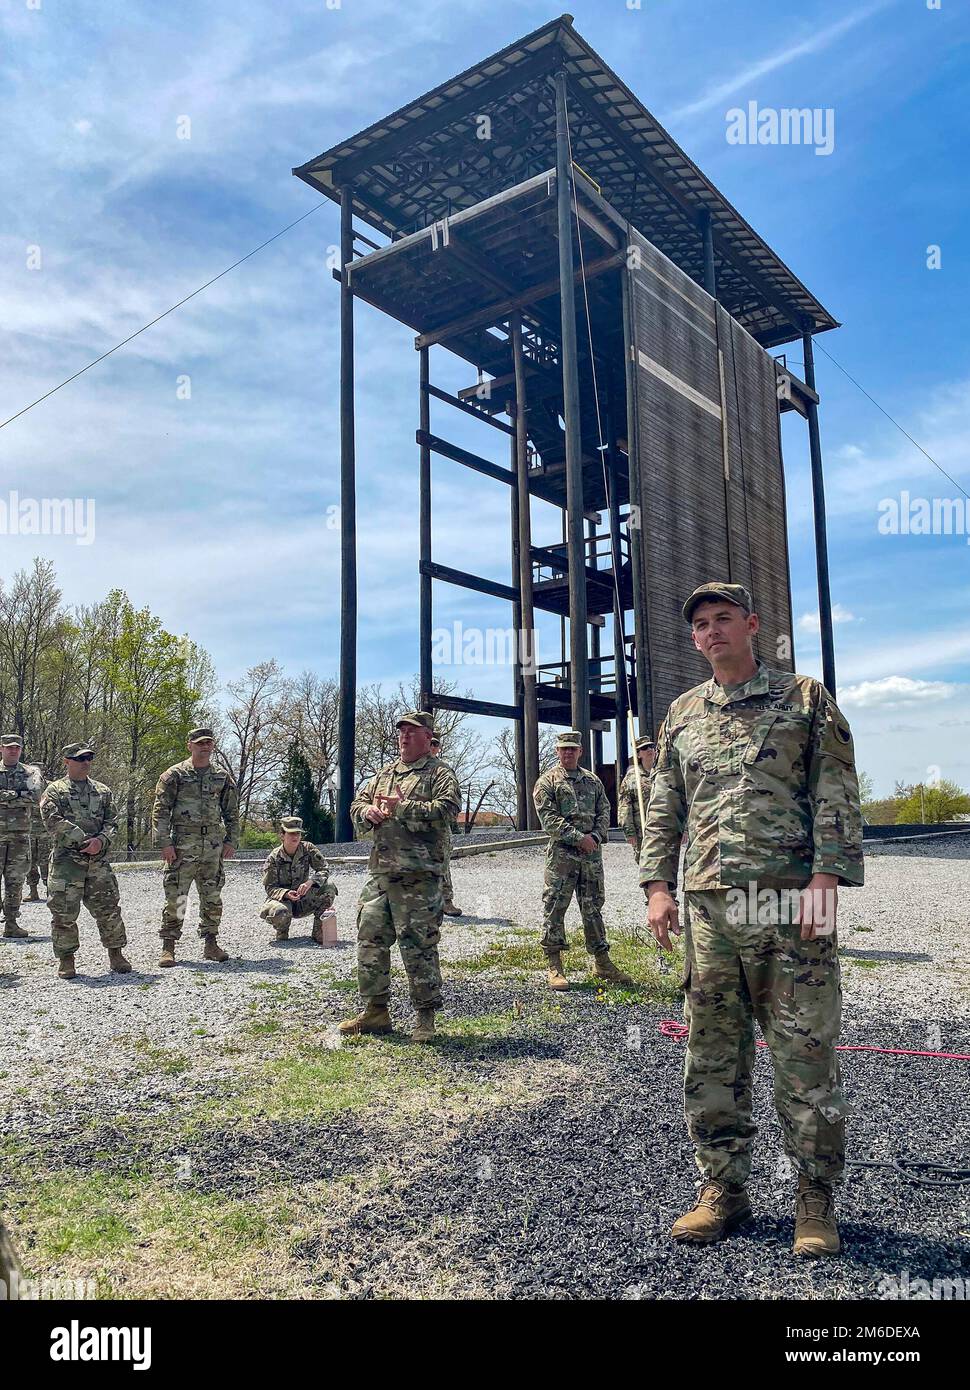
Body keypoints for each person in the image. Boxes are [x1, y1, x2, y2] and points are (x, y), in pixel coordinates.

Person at [640, 581, 864, 1257]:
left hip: (789, 906)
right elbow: (663, 805)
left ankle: (814, 1198)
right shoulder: (681, 714)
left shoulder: (804, 699)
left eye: (723, 619)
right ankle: (723, 1191)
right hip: (710, 911)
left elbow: (836, 788)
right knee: (711, 1056)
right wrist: (656, 885)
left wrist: (827, 876)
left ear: (752, 625)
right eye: (701, 624)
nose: (711, 631)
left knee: (804, 1056)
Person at [339, 711, 460, 1043]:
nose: (404, 736)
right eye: (401, 732)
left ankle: (425, 1019)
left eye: (412, 731)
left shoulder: (439, 773)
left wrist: (404, 807)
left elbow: (447, 811)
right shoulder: (384, 774)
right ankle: (376, 1012)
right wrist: (367, 812)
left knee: (418, 946)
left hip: (418, 877)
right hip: (381, 873)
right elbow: (357, 803)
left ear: (427, 736)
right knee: (370, 941)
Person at [532, 730, 634, 991]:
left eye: (572, 749)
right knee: (555, 907)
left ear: (580, 751)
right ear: (557, 751)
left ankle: (602, 962)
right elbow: (550, 820)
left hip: (591, 856)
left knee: (593, 908)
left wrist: (597, 837)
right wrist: (579, 838)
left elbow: (605, 811)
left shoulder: (593, 781)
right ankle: (554, 964)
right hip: (563, 857)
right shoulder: (547, 782)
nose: (568, 753)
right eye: (563, 749)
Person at [40, 743, 131, 979]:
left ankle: (116, 954)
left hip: (97, 862)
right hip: (67, 862)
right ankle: (66, 959)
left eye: (89, 758)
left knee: (109, 908)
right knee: (64, 913)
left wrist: (101, 840)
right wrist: (83, 839)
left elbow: (113, 822)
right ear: (67, 761)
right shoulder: (55, 791)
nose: (86, 763)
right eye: (80, 759)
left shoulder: (103, 791)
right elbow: (52, 821)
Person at [151, 728, 238, 967]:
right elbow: (160, 812)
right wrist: (165, 843)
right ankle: (169, 946)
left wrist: (231, 840)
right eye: (200, 743)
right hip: (182, 844)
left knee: (212, 897)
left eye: (209, 743)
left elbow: (231, 812)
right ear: (189, 745)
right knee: (178, 897)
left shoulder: (221, 776)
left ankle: (211, 943)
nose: (205, 747)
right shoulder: (174, 775)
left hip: (212, 845)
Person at [260, 815, 338, 944]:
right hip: (283, 901)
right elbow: (269, 888)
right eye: (291, 833)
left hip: (302, 899)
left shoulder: (308, 849)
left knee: (329, 887)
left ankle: (319, 932)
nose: (295, 837)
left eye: (298, 833)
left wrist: (310, 882)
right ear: (282, 835)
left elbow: (324, 869)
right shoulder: (273, 858)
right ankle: (282, 931)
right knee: (280, 912)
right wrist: (285, 893)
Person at [0, 734, 40, 939]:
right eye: (9, 747)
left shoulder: (31, 772)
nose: (13, 751)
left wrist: (6, 796)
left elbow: (35, 797)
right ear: (1, 748)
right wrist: (18, 795)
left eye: (17, 748)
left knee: (15, 881)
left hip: (20, 836)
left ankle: (12, 923)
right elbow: (25, 797)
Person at [430, 732, 462, 916]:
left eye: (436, 744)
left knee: (442, 864)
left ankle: (446, 901)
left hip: (438, 826)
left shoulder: (444, 770)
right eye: (431, 743)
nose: (433, 747)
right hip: (415, 828)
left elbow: (451, 801)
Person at [617, 736, 655, 861]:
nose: (649, 750)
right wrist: (629, 832)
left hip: (664, 828)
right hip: (642, 831)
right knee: (646, 865)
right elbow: (625, 805)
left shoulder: (663, 773)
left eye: (651, 747)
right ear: (638, 754)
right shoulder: (632, 777)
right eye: (644, 748)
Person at [26, 780, 50, 901]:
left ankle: (49, 891)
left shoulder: (50, 788)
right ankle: (33, 891)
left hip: (45, 832)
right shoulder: (26, 786)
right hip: (29, 830)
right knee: (30, 862)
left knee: (46, 861)